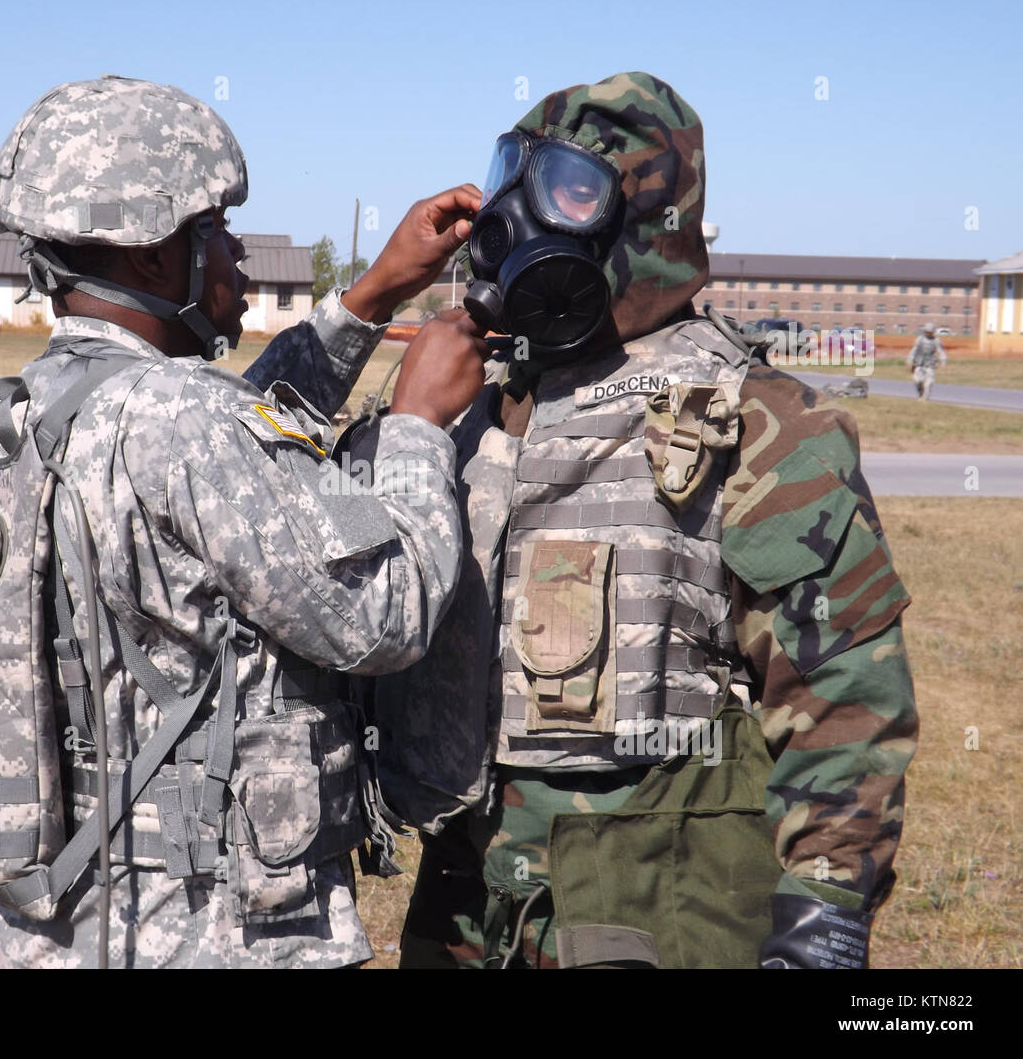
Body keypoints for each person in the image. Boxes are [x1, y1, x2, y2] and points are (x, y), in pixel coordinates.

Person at [357, 72, 918, 969]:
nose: (523, 219)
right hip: (467, 907)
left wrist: (824, 915)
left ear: (651, 216)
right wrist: (367, 309)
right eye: (516, 179)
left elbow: (846, 692)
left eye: (570, 191)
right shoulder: (470, 401)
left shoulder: (758, 420)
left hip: (663, 908)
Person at [0, 75, 487, 968]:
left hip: (76, 922)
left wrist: (370, 298)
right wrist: (415, 431)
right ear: (155, 259)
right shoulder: (185, 424)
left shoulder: (26, 413)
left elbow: (242, 442)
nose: (240, 255)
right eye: (218, 231)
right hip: (210, 933)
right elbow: (383, 616)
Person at [907, 321, 948, 400]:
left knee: (929, 382)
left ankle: (926, 397)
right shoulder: (920, 339)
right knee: (917, 380)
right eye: (926, 331)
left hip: (930, 363)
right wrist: (910, 360)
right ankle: (921, 392)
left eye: (929, 332)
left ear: (932, 332)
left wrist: (943, 361)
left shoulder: (936, 341)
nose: (927, 333)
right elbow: (914, 350)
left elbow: (941, 351)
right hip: (919, 362)